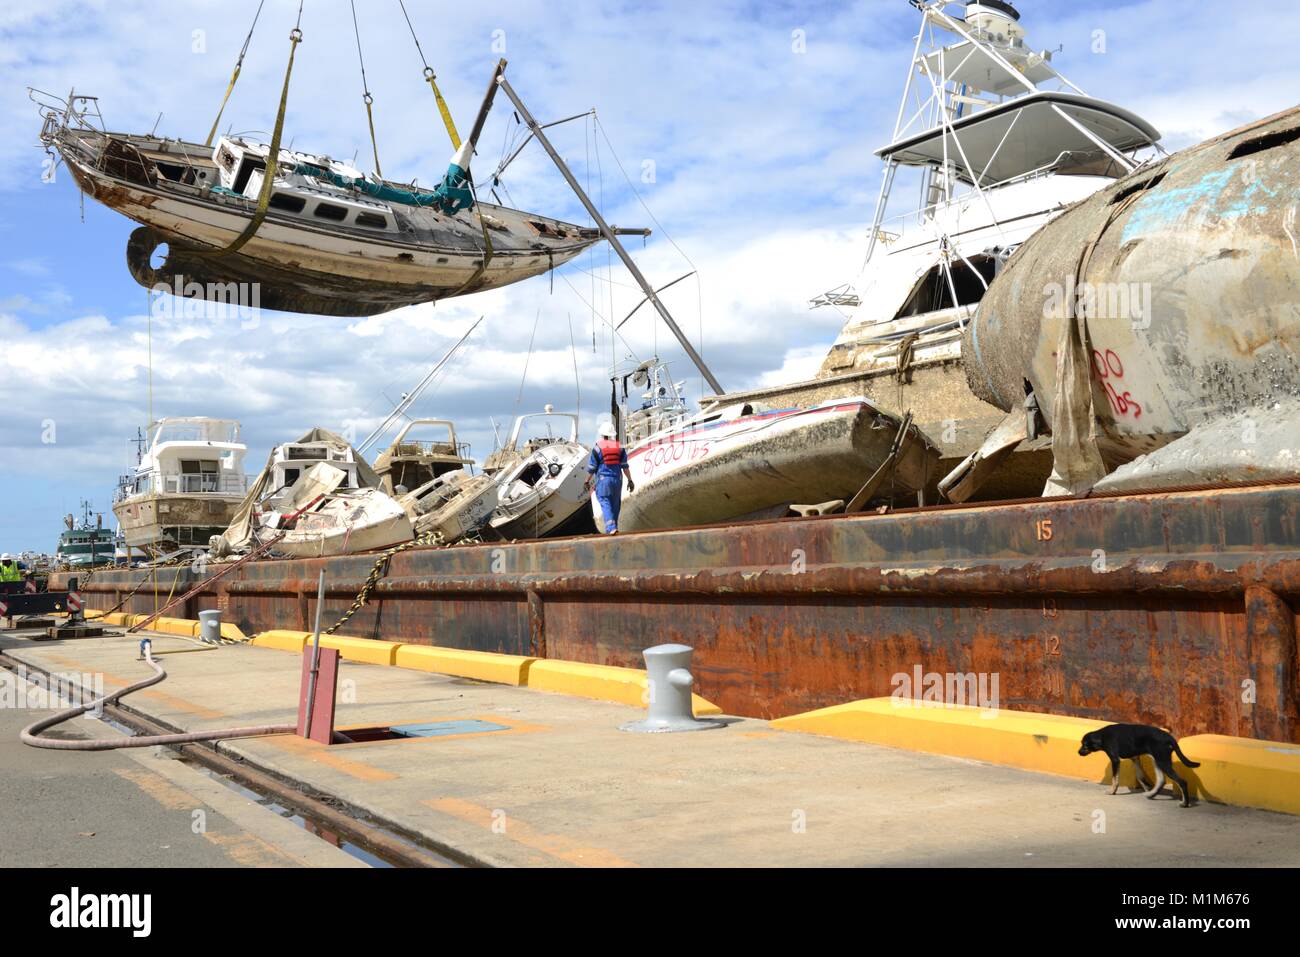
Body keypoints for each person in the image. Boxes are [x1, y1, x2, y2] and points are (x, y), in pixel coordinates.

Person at [587, 423, 635, 534]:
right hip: (617, 481)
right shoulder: (620, 449)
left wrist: (586, 481)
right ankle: (614, 528)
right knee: (615, 504)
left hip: (604, 481)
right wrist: (630, 480)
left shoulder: (597, 449)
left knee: (605, 502)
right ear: (613, 434)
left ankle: (611, 528)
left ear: (602, 434)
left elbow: (592, 468)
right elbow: (625, 467)